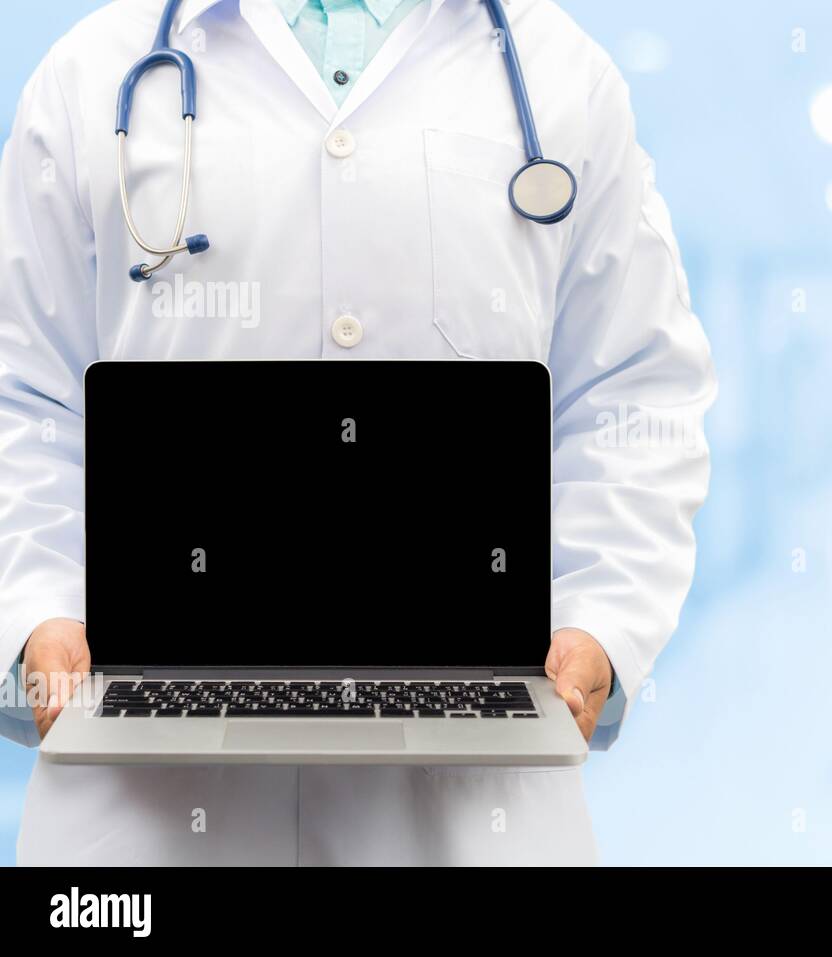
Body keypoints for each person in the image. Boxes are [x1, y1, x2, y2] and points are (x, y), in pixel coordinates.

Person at [0, 0, 715, 866]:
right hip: (147, 819)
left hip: (465, 809)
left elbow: (632, 392)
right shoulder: (89, 74)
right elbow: (21, 394)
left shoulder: (561, 73)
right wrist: (39, 608)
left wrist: (599, 620)